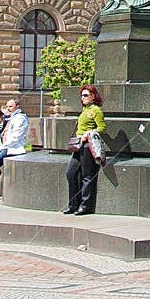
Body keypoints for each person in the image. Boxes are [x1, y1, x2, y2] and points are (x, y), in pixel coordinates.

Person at [64, 86, 108, 216]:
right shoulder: (85, 110)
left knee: (87, 176)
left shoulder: (96, 110)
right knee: (71, 173)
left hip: (88, 145)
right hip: (78, 145)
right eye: (82, 95)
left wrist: (89, 133)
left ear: (93, 96)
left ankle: (85, 206)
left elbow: (102, 127)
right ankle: (73, 204)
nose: (82, 98)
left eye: (86, 95)